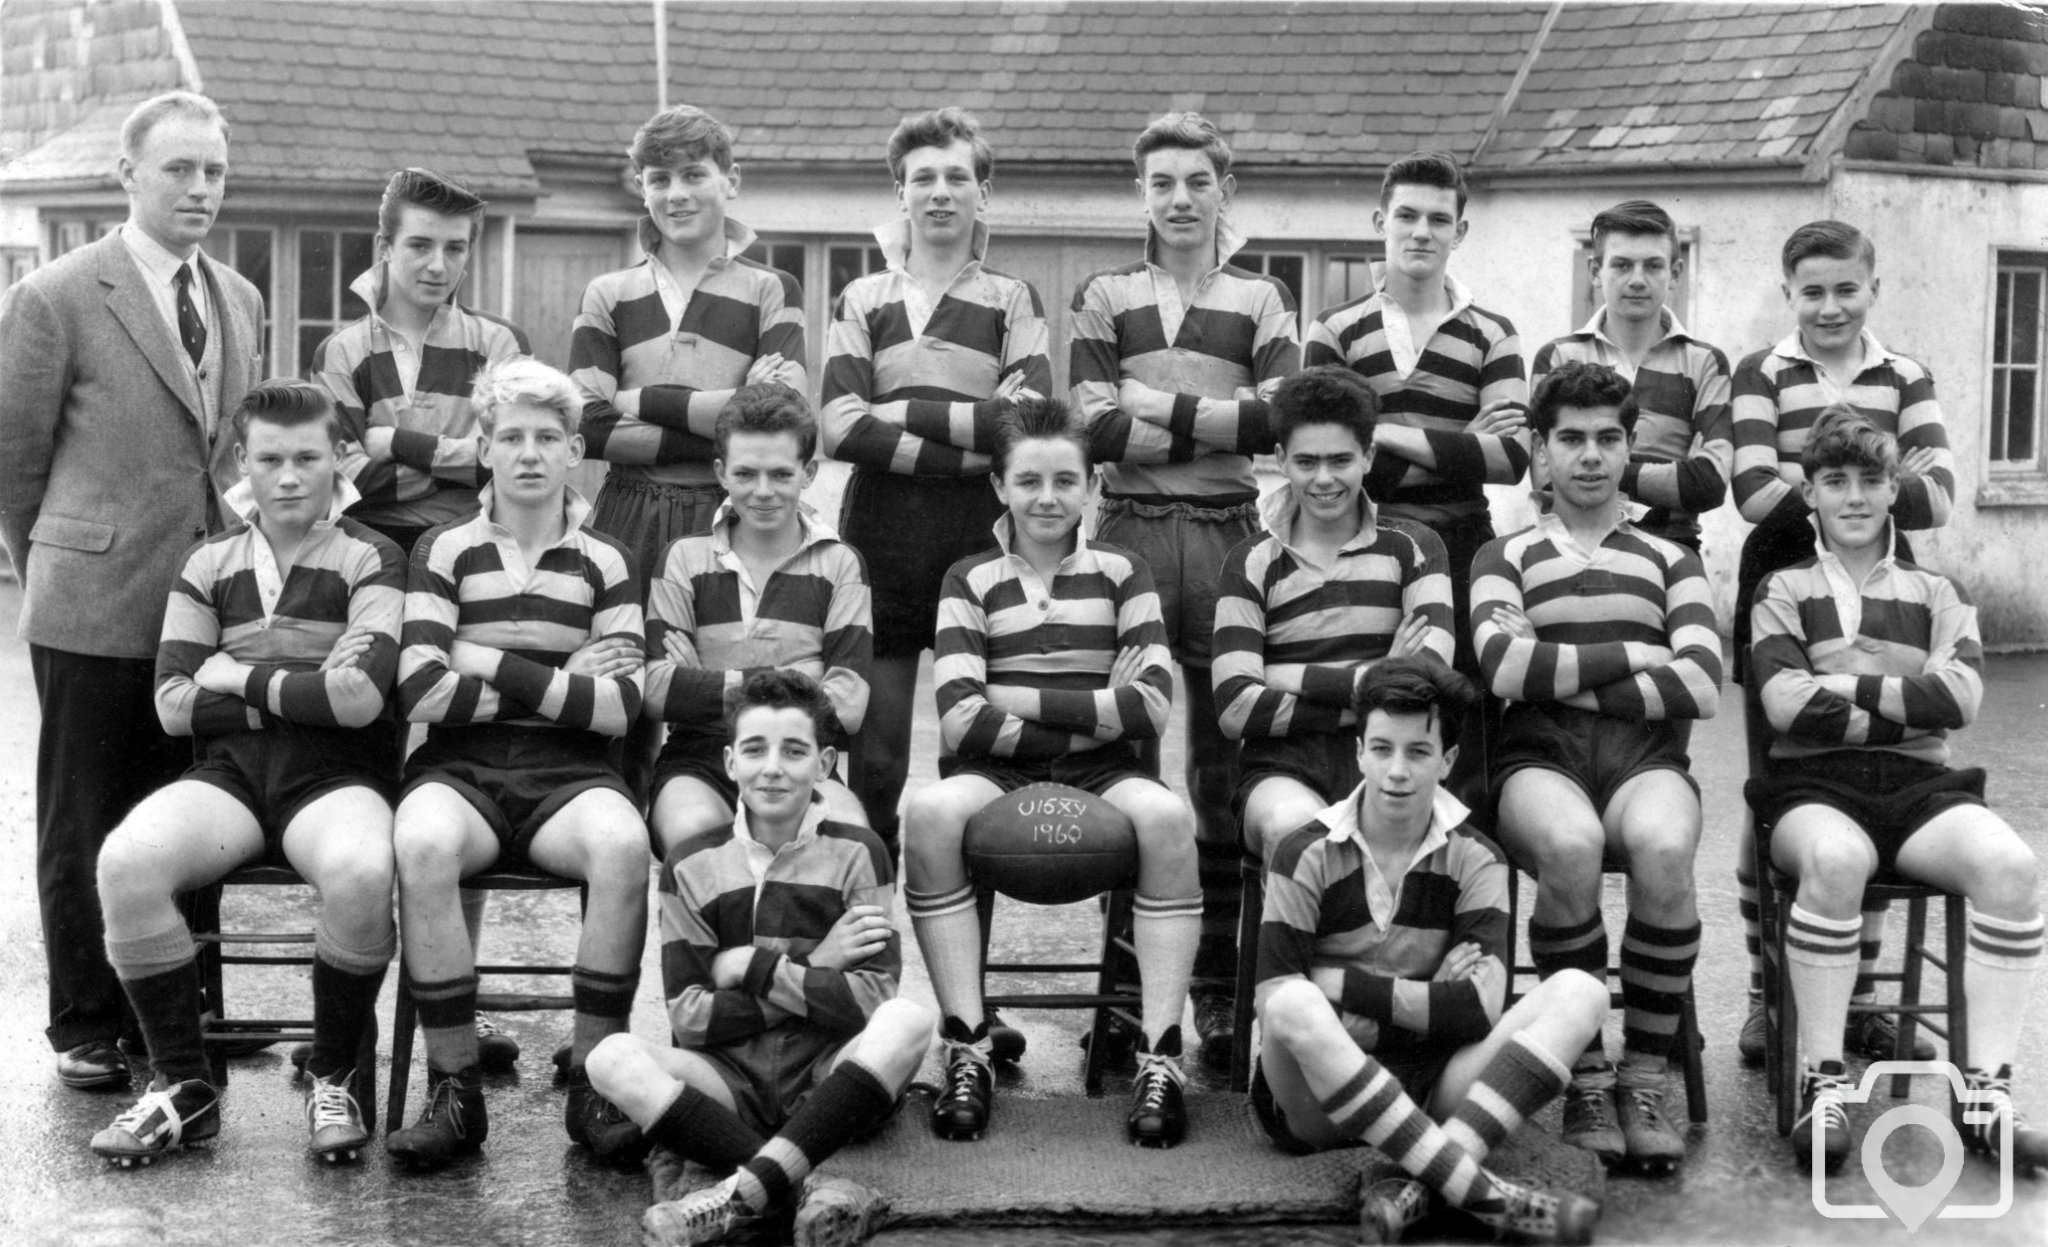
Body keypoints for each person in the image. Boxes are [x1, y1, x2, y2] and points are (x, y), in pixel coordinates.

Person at [0, 89, 266, 1091]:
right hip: (94, 605)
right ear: (128, 175)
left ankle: (181, 1016)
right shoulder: (59, 294)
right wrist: (58, 567)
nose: (199, 188)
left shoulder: (236, 297)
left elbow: (231, 452)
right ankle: (83, 1023)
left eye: (213, 172)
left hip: (204, 611)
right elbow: (13, 460)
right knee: (86, 817)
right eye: (179, 170)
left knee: (187, 810)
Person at [85, 381, 402, 1166]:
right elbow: (171, 705)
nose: (289, 475)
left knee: (363, 868)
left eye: (307, 457)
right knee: (126, 861)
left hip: (335, 779)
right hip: (228, 779)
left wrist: (236, 678)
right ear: (242, 463)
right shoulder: (209, 560)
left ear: (340, 460)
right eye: (270, 458)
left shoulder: (375, 556)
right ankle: (183, 1086)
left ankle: (335, 1072)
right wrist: (298, 694)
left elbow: (358, 700)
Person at [1749, 408, 2042, 1174]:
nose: (1853, 496)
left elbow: (1963, 699)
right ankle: (1824, 1083)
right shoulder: (1781, 587)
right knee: (1838, 860)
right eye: (1835, 481)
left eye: (1871, 480)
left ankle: (1986, 1098)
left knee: (2013, 868)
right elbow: (1786, 705)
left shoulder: (1939, 588)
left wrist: (1839, 681)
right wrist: (1901, 690)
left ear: (1893, 491)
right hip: (1810, 787)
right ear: (1808, 493)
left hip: (1923, 788)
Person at [903, 397, 1201, 1147]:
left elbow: (1150, 708)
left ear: (1093, 486)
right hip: (991, 771)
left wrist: (1012, 693)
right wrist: (1096, 701)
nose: (1047, 497)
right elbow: (962, 719)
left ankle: (1161, 1054)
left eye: (1066, 480)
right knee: (931, 812)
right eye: (1028, 479)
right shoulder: (968, 578)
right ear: (999, 486)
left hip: (1104, 769)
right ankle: (967, 1041)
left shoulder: (1123, 572)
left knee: (1168, 817)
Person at [1069, 111, 1300, 1059]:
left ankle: (1209, 986)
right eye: (1161, 183)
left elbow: (1280, 421)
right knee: (1132, 762)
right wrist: (1220, 420)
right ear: (1141, 193)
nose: (1179, 200)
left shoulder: (1262, 296)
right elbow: (1091, 427)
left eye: (1196, 182)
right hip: (1124, 533)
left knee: (1219, 763)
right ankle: (1126, 989)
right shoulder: (1104, 292)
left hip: (1223, 534)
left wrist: (1155, 403)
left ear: (1223, 190)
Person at [384, 357, 650, 1167]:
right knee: (423, 844)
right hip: (460, 766)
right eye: (511, 437)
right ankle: (455, 1092)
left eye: (546, 437)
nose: (529, 453)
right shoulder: (445, 548)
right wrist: (561, 680)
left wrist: (488, 659)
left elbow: (616, 709)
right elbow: (422, 691)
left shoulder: (606, 559)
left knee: (624, 846)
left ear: (576, 451)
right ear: (486, 449)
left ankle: (596, 1084)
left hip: (569, 771)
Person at [1253, 657, 1604, 1245]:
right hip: (1317, 1106)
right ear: (1359, 751)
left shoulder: (1477, 857)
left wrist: (1337, 984)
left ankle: (1423, 1182)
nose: (1397, 771)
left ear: (1447, 761)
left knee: (1583, 991)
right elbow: (1274, 1000)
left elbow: (1478, 1010)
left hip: (1435, 1085)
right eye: (1383, 749)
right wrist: (1429, 997)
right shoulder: (1305, 852)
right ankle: (1486, 1197)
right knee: (1291, 1006)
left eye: (1418, 752)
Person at [1474, 362, 1722, 1175]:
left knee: (1660, 844)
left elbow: (1699, 680)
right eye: (1570, 439)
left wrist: (1568, 667)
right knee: (1572, 845)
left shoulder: (1669, 558)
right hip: (1538, 756)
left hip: (1646, 758)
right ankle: (1583, 1069)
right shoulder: (1501, 554)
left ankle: (1645, 1075)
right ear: (1540, 453)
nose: (1589, 455)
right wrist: (1637, 657)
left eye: (1607, 438)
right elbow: (1506, 668)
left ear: (1629, 448)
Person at [310, 164, 530, 1073]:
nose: (438, 264)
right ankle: (352, 1023)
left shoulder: (496, 339)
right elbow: (345, 465)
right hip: (367, 560)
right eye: (421, 246)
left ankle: (454, 1000)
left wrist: (393, 440)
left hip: (462, 561)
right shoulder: (342, 345)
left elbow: (496, 461)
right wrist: (443, 450)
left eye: (454, 249)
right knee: (362, 773)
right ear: (384, 249)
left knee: (450, 773)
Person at [589, 670, 931, 1245]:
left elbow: (872, 1000)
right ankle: (796, 1183)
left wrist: (756, 968)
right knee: (609, 1059)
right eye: (755, 749)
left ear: (823, 764)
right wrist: (819, 961)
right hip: (728, 1080)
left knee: (909, 1022)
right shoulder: (691, 864)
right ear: (729, 762)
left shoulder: (859, 853)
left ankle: (734, 1194)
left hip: (828, 1073)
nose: (773, 766)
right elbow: (690, 1019)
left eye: (794, 751)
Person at [1728, 220, 1955, 1067]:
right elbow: (1753, 492)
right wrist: (1866, 481)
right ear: (1789, 294)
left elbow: (1939, 494)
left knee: (1879, 776)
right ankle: (1764, 992)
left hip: (1887, 582)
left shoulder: (1906, 373)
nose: (1830, 306)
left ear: (1872, 289)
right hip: (1783, 582)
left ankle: (1856, 1000)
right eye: (1811, 291)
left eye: (1845, 289)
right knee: (1780, 784)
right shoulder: (1761, 371)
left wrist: (1834, 485)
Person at [821, 106, 1051, 871]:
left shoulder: (1013, 298)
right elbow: (840, 429)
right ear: (900, 192)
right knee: (877, 753)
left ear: (984, 194)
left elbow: (1024, 425)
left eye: (959, 177)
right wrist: (969, 437)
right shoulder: (863, 297)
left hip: (978, 536)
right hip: (880, 533)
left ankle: (962, 942)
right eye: (924, 178)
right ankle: (869, 920)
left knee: (973, 746)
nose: (941, 192)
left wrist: (898, 413)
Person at [571, 102, 805, 802]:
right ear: (640, 187)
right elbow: (589, 425)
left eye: (694, 174)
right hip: (628, 514)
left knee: (720, 699)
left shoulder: (771, 288)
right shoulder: (609, 293)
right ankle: (615, 889)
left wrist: (642, 398)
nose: (676, 194)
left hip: (726, 513)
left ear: (731, 180)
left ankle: (707, 887)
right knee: (621, 705)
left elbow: (774, 416)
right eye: (659, 178)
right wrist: (720, 412)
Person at [1213, 365, 1455, 868]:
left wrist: (1281, 676)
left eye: (1340, 460)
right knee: (1299, 832)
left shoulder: (1414, 547)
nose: (1323, 479)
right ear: (1280, 459)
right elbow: (1235, 708)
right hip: (1281, 767)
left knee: (1446, 847)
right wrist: (1373, 678)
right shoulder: (1251, 560)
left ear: (1368, 456)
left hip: (1390, 758)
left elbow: (1425, 680)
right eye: (1306, 462)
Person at [644, 382, 874, 856]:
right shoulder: (684, 560)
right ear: (721, 472)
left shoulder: (839, 564)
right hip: (700, 763)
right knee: (699, 840)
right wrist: (802, 677)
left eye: (780, 474)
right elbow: (657, 690)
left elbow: (847, 705)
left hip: (801, 758)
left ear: (808, 472)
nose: (763, 491)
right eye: (746, 474)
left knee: (848, 840)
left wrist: (706, 681)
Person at [1529, 200, 1731, 554]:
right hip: (1571, 549)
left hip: (1673, 549)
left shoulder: (1704, 363)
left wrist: (1588, 465)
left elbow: (1708, 485)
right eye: (1622, 265)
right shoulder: (1560, 356)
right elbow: (1546, 478)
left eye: (1653, 266)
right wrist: (1673, 475)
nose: (1637, 280)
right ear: (1595, 271)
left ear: (1676, 273)